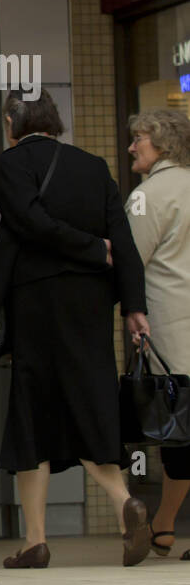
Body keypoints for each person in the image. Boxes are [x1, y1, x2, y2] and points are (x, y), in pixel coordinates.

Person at [0, 91, 151, 568]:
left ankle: (38, 540)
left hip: (38, 301)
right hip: (91, 303)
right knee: (88, 399)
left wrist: (87, 247)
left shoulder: (11, 164)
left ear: (13, 120)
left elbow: (32, 223)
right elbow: (122, 239)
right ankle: (122, 504)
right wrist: (134, 306)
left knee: (31, 409)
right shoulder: (93, 166)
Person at [125, 109, 190, 560]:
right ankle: (165, 524)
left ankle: (165, 525)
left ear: (162, 145)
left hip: (172, 326)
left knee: (179, 428)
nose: (132, 146)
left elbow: (132, 261)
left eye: (139, 139)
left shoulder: (149, 196)